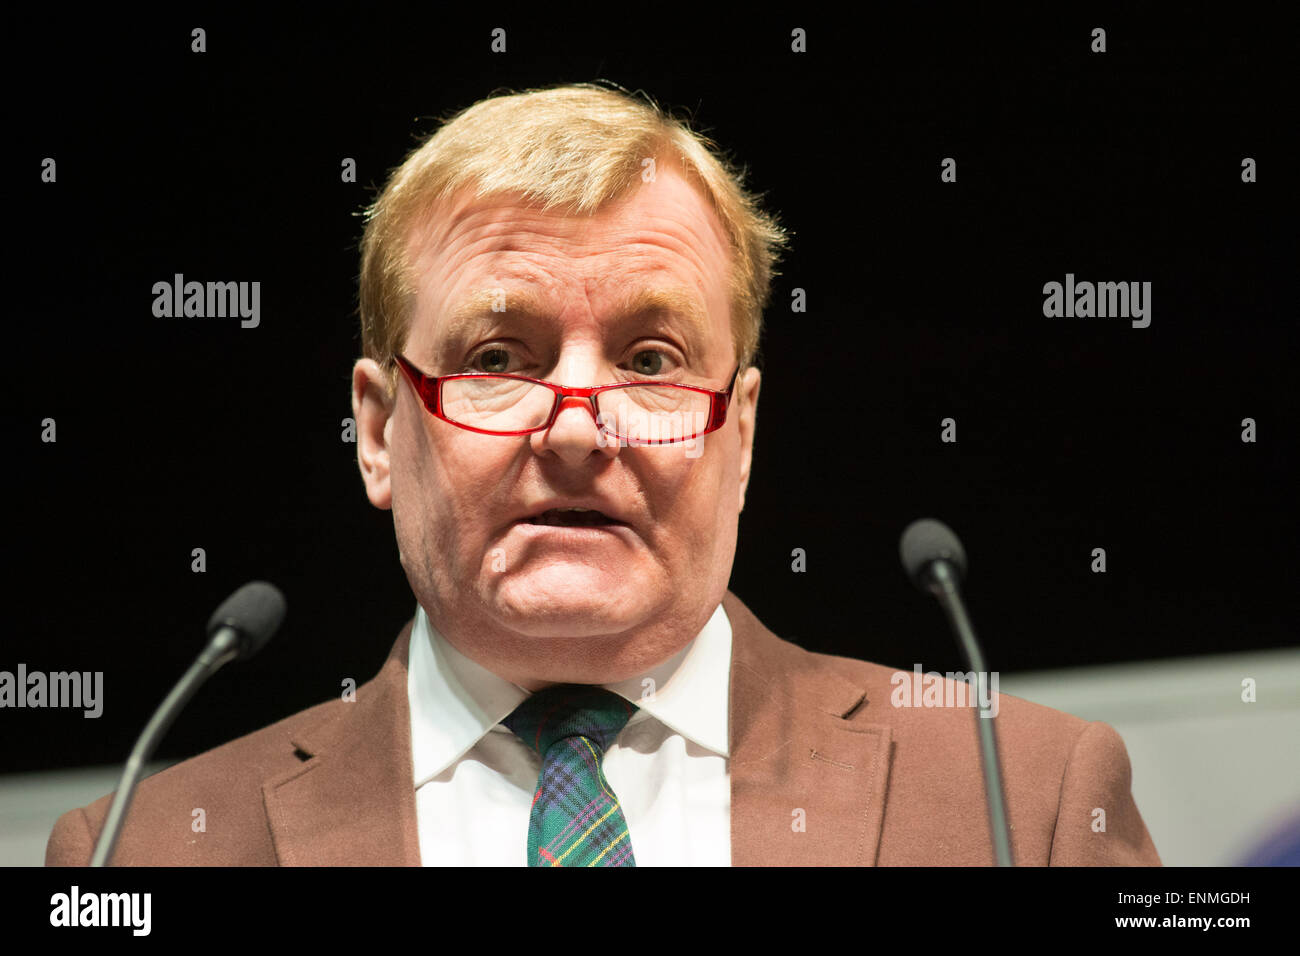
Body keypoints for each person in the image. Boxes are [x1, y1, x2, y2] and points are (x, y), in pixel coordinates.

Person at [46, 82, 1160, 866]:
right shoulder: (140, 854)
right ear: (379, 433)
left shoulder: (1023, 794)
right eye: (498, 356)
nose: (579, 432)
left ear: (742, 437)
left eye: (650, 359)